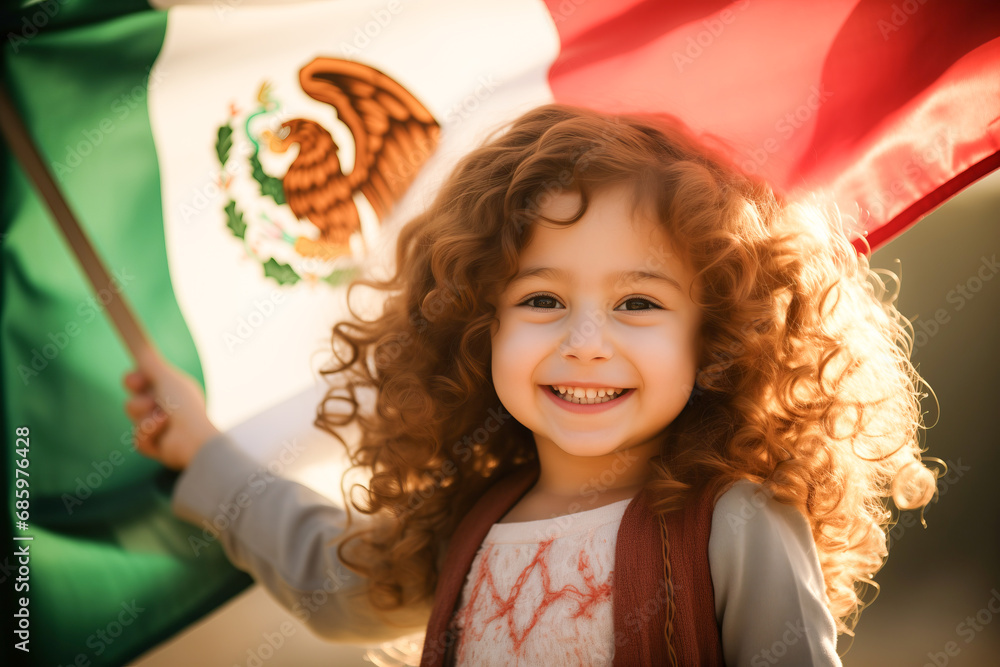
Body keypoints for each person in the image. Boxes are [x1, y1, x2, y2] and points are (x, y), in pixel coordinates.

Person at [123, 104, 939, 666]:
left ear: (719, 335)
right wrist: (203, 448)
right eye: (542, 300)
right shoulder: (473, 521)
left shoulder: (735, 522)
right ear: (476, 328)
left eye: (638, 302)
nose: (586, 343)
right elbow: (334, 582)